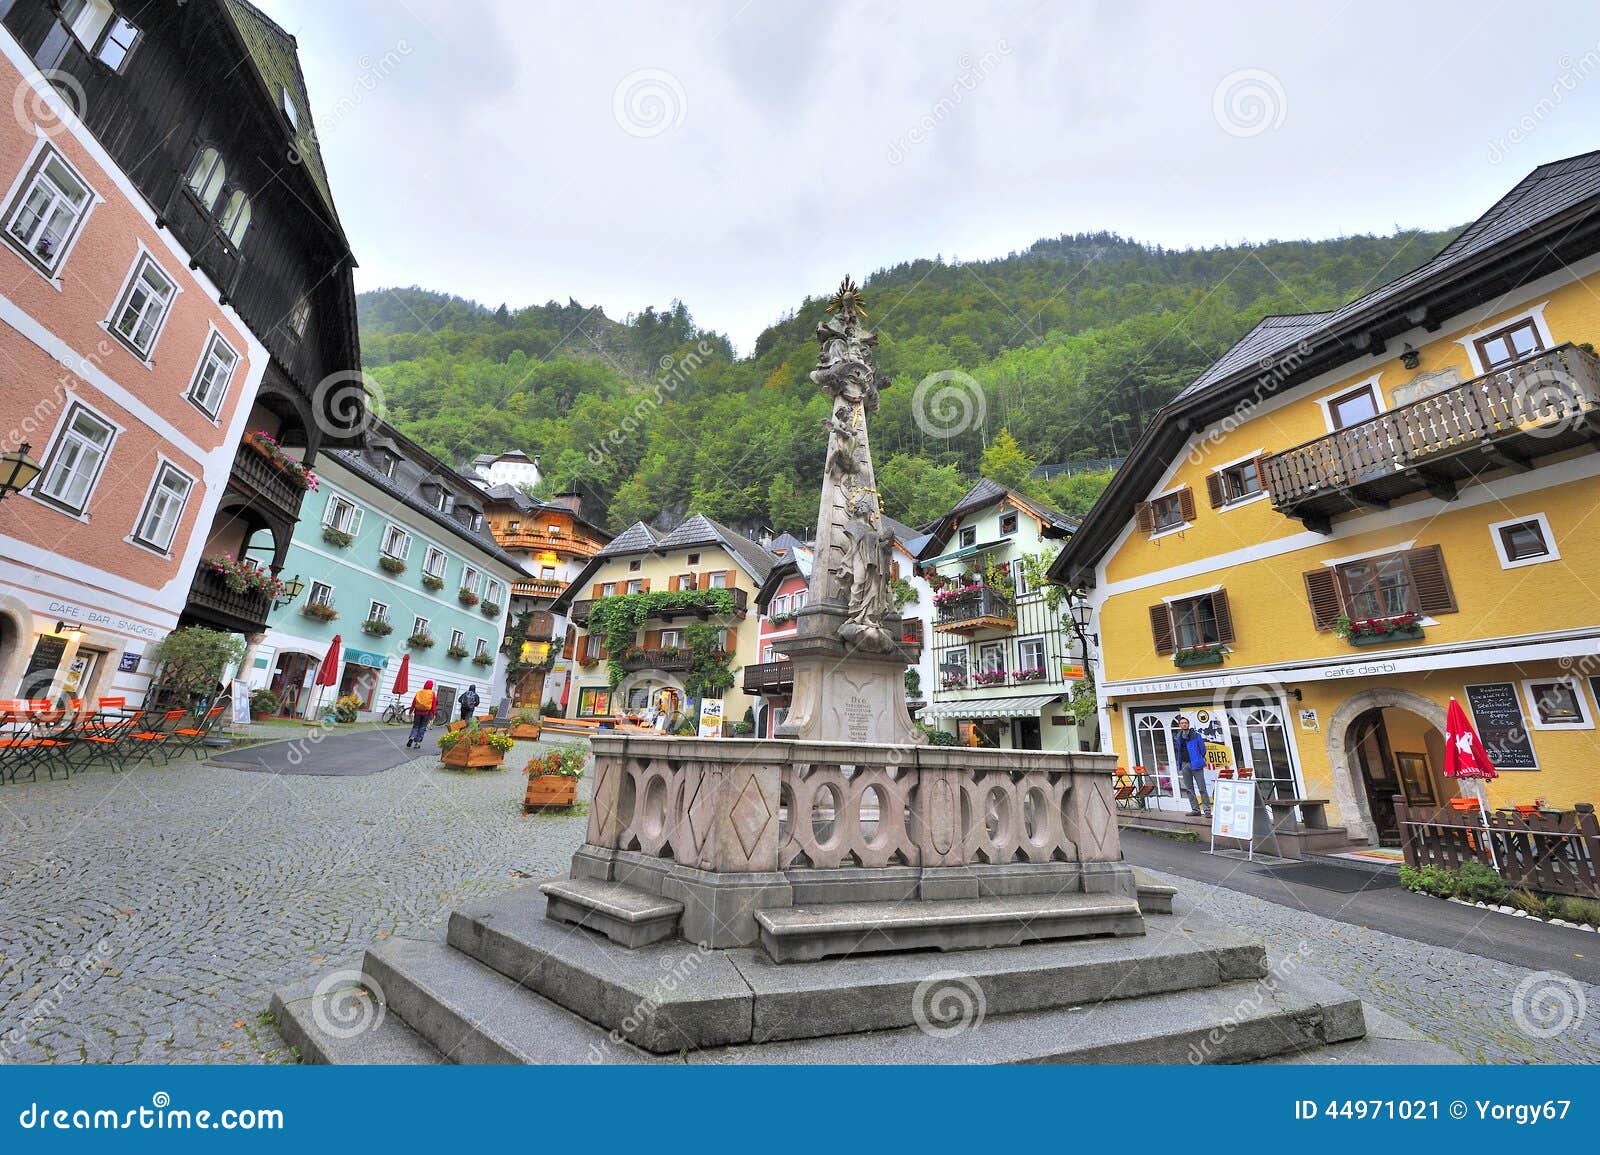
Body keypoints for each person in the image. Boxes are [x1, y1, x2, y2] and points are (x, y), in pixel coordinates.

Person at [1173, 715, 1211, 817]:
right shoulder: (1178, 736)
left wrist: (1198, 758)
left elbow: (1202, 749)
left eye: (1185, 723)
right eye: (1182, 723)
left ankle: (1207, 810)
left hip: (1196, 763)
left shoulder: (1195, 735)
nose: (1184, 724)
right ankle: (1195, 809)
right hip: (1185, 764)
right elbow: (1179, 751)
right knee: (1189, 789)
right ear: (1179, 725)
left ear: (1188, 724)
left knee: (1202, 788)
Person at [406, 680, 437, 748]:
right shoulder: (432, 693)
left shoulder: (419, 692)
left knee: (416, 726)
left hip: (417, 712)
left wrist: (410, 711)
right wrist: (434, 713)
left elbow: (414, 702)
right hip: (426, 713)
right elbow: (433, 705)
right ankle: (417, 743)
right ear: (431, 686)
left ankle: (411, 737)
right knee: (422, 728)